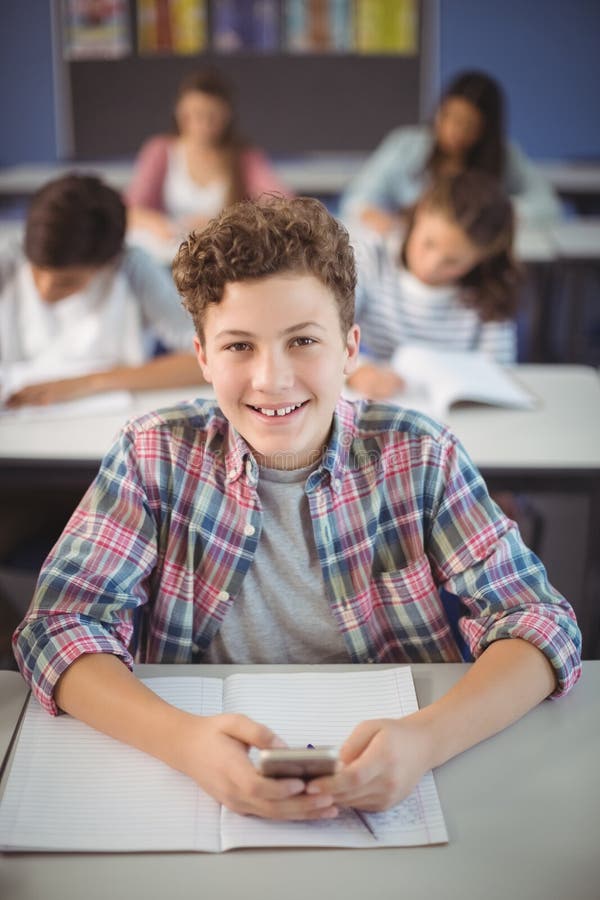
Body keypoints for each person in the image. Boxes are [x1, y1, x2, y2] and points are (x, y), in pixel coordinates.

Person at [13, 197, 580, 822]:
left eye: (303, 340)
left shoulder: (419, 455)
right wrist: (185, 745)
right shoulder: (153, 454)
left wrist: (426, 740)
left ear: (350, 348)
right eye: (238, 347)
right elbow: (59, 627)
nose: (272, 379)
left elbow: (538, 622)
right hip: (197, 775)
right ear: (202, 357)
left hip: (399, 775)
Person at [0, 173, 200, 408]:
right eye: (36, 272)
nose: (44, 291)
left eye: (67, 282)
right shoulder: (10, 259)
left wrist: (88, 383)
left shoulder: (132, 267)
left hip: (112, 415)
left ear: (107, 263)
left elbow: (203, 358)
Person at [348, 170, 521, 400]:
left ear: (482, 258)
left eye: (453, 261)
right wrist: (357, 369)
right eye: (428, 243)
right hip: (378, 402)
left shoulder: (491, 291)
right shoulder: (373, 259)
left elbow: (499, 374)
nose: (430, 266)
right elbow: (331, 331)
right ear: (419, 214)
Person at [339, 69, 560, 236]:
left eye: (468, 125)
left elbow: (546, 206)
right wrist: (375, 216)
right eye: (448, 117)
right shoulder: (406, 146)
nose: (455, 131)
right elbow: (357, 199)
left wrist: (495, 212)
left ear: (485, 131)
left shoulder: (504, 156)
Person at [125, 67, 292, 245]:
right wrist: (161, 225)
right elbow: (130, 210)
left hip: (224, 252)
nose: (203, 125)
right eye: (196, 115)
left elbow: (283, 204)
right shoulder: (160, 150)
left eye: (212, 117)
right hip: (171, 248)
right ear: (180, 113)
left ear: (227, 117)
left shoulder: (244, 157)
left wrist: (222, 224)